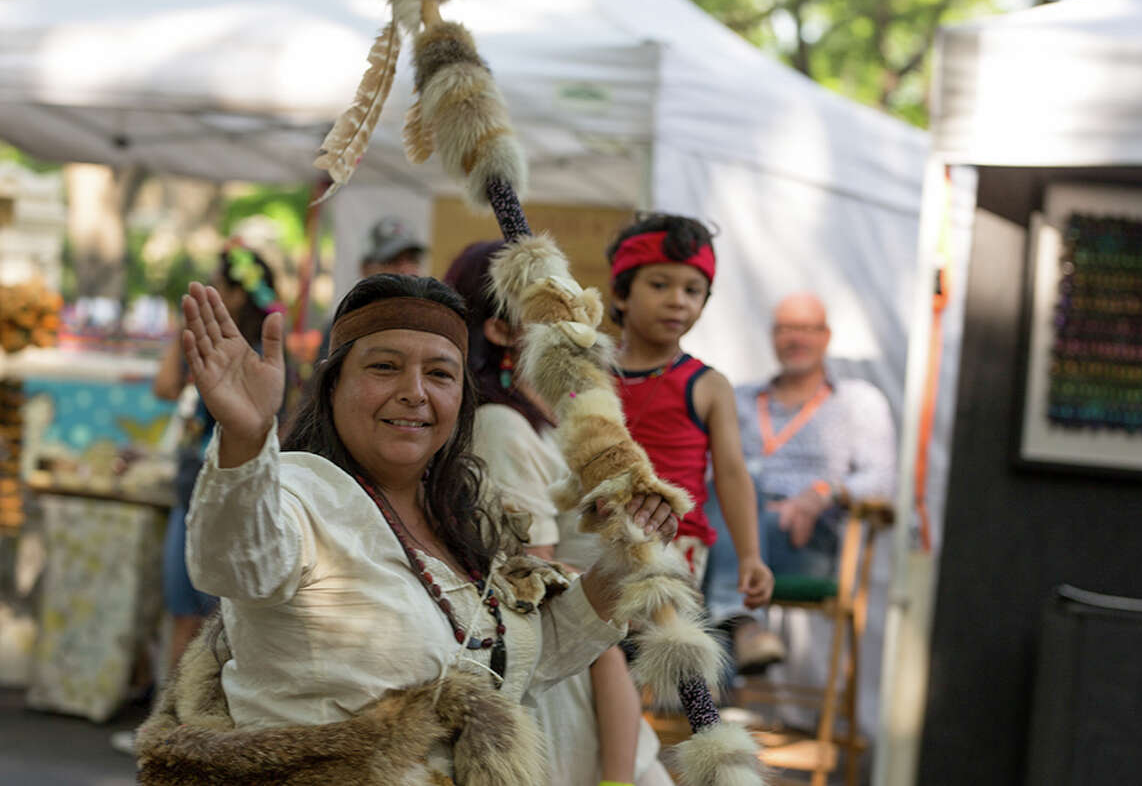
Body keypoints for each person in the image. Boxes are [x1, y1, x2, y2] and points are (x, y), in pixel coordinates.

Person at [136, 272, 679, 783]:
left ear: (461, 398)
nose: (414, 391)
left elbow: (516, 664)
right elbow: (233, 562)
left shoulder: (465, 518)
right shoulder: (298, 491)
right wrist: (245, 439)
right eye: (384, 367)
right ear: (333, 386)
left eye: (439, 374)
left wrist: (623, 556)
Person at [444, 241, 673, 786]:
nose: (570, 315)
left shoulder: (547, 416)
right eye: (547, 306)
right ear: (500, 330)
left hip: (594, 632)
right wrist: (613, 584)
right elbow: (533, 573)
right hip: (565, 664)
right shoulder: (500, 425)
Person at [703, 292, 896, 673]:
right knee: (732, 485)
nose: (796, 338)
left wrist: (823, 493)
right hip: (732, 523)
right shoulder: (738, 398)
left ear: (826, 336)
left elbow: (882, 479)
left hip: (804, 541)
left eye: (807, 328)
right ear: (773, 336)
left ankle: (729, 634)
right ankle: (740, 632)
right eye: (787, 329)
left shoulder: (858, 401)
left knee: (723, 516)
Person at [606, 212, 773, 604]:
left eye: (693, 290)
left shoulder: (709, 386)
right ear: (622, 294)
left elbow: (731, 473)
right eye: (659, 285)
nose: (677, 301)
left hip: (674, 549)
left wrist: (750, 556)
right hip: (590, 542)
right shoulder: (590, 375)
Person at [151, 240, 285, 672]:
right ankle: (173, 711)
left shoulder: (256, 361)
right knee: (187, 613)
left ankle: (200, 710)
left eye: (217, 286)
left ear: (238, 294)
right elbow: (166, 388)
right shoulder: (211, 349)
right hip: (192, 490)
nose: (209, 292)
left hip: (229, 497)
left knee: (217, 621)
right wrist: (186, 331)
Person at [316, 216, 428, 360]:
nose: (406, 270)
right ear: (365, 268)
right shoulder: (343, 328)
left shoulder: (431, 328)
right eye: (393, 260)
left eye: (413, 260)